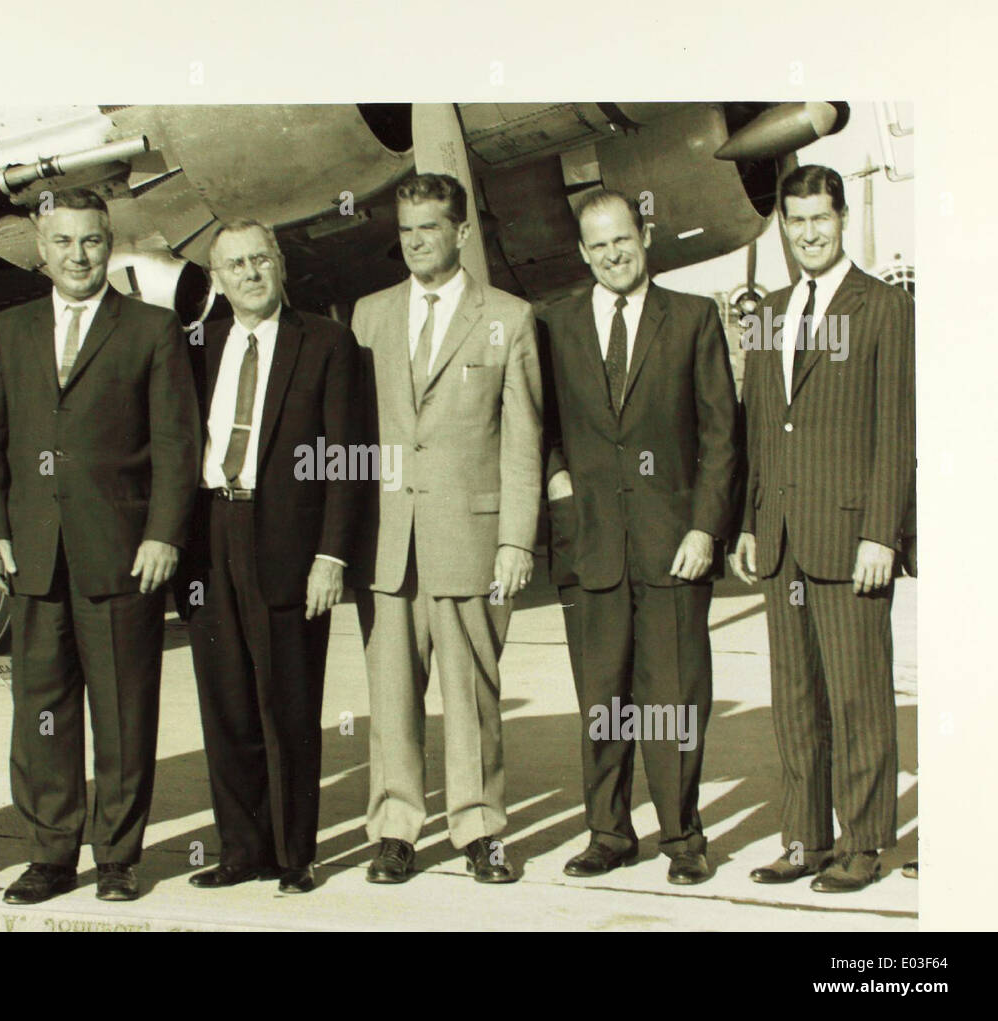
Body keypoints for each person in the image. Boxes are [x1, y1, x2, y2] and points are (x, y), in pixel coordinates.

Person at [0, 187, 200, 904]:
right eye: (64, 242)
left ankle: (119, 856)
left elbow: (175, 443)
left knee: (125, 709)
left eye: (92, 241)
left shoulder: (151, 329)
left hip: (121, 551)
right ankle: (50, 853)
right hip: (35, 553)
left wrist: (164, 532)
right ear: (42, 251)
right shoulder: (9, 330)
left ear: (110, 244)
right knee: (41, 708)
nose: (78, 255)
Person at [543, 189, 738, 886]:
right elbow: (538, 425)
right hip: (591, 545)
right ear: (582, 252)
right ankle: (608, 831)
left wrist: (705, 527)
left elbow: (721, 435)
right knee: (602, 697)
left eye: (622, 239)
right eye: (598, 245)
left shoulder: (692, 318)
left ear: (644, 235)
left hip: (672, 546)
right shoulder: (556, 323)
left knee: (675, 697)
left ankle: (682, 837)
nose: (612, 254)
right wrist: (558, 481)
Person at [351, 173, 541, 884]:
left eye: (429, 227)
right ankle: (396, 828)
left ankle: (480, 830)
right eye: (405, 230)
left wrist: (516, 539)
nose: (415, 242)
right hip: (390, 542)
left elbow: (523, 437)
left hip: (472, 539)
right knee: (391, 699)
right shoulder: (369, 315)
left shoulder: (510, 318)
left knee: (471, 697)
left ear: (462, 232)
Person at [732, 164, 914, 893]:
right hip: (780, 538)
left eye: (820, 219)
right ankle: (806, 837)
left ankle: (865, 842)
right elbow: (760, 429)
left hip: (849, 539)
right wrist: (748, 522)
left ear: (842, 220)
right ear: (783, 224)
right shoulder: (768, 311)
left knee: (859, 694)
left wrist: (882, 532)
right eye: (795, 220)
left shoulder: (883, 307)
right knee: (797, 697)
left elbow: (896, 429)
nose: (807, 233)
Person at [175, 220, 362, 894]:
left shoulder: (328, 342)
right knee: (225, 703)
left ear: (279, 265)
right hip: (208, 532)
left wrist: (332, 554)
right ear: (216, 278)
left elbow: (346, 459)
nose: (250, 273)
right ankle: (239, 848)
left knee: (286, 704)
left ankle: (293, 853)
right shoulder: (195, 346)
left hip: (285, 539)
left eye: (260, 259)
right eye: (235, 264)